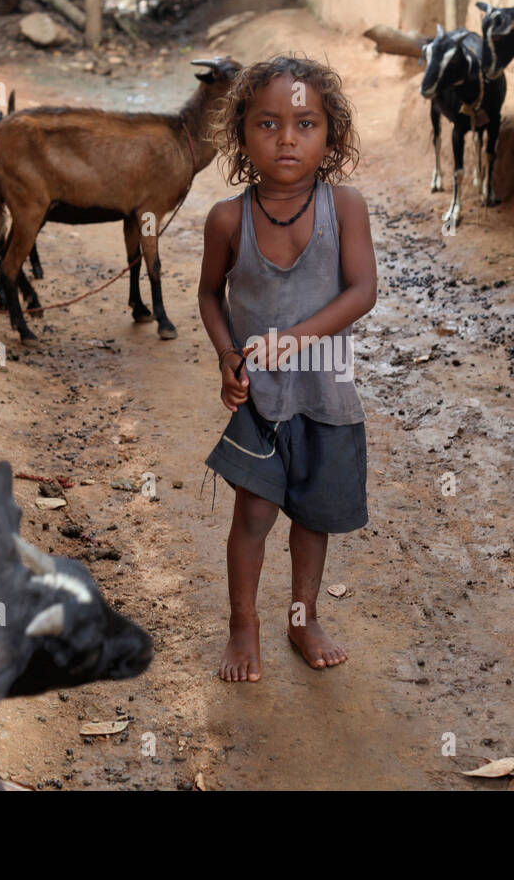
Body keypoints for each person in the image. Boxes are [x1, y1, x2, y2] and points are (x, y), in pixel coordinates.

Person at [198, 55, 377, 682]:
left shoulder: (344, 207)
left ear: (332, 136)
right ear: (241, 134)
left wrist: (295, 340)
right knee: (252, 515)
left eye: (306, 124)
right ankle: (241, 623)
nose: (287, 139)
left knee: (311, 516)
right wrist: (228, 356)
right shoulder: (228, 219)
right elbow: (208, 297)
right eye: (268, 124)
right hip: (261, 399)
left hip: (326, 396)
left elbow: (362, 292)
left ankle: (302, 616)